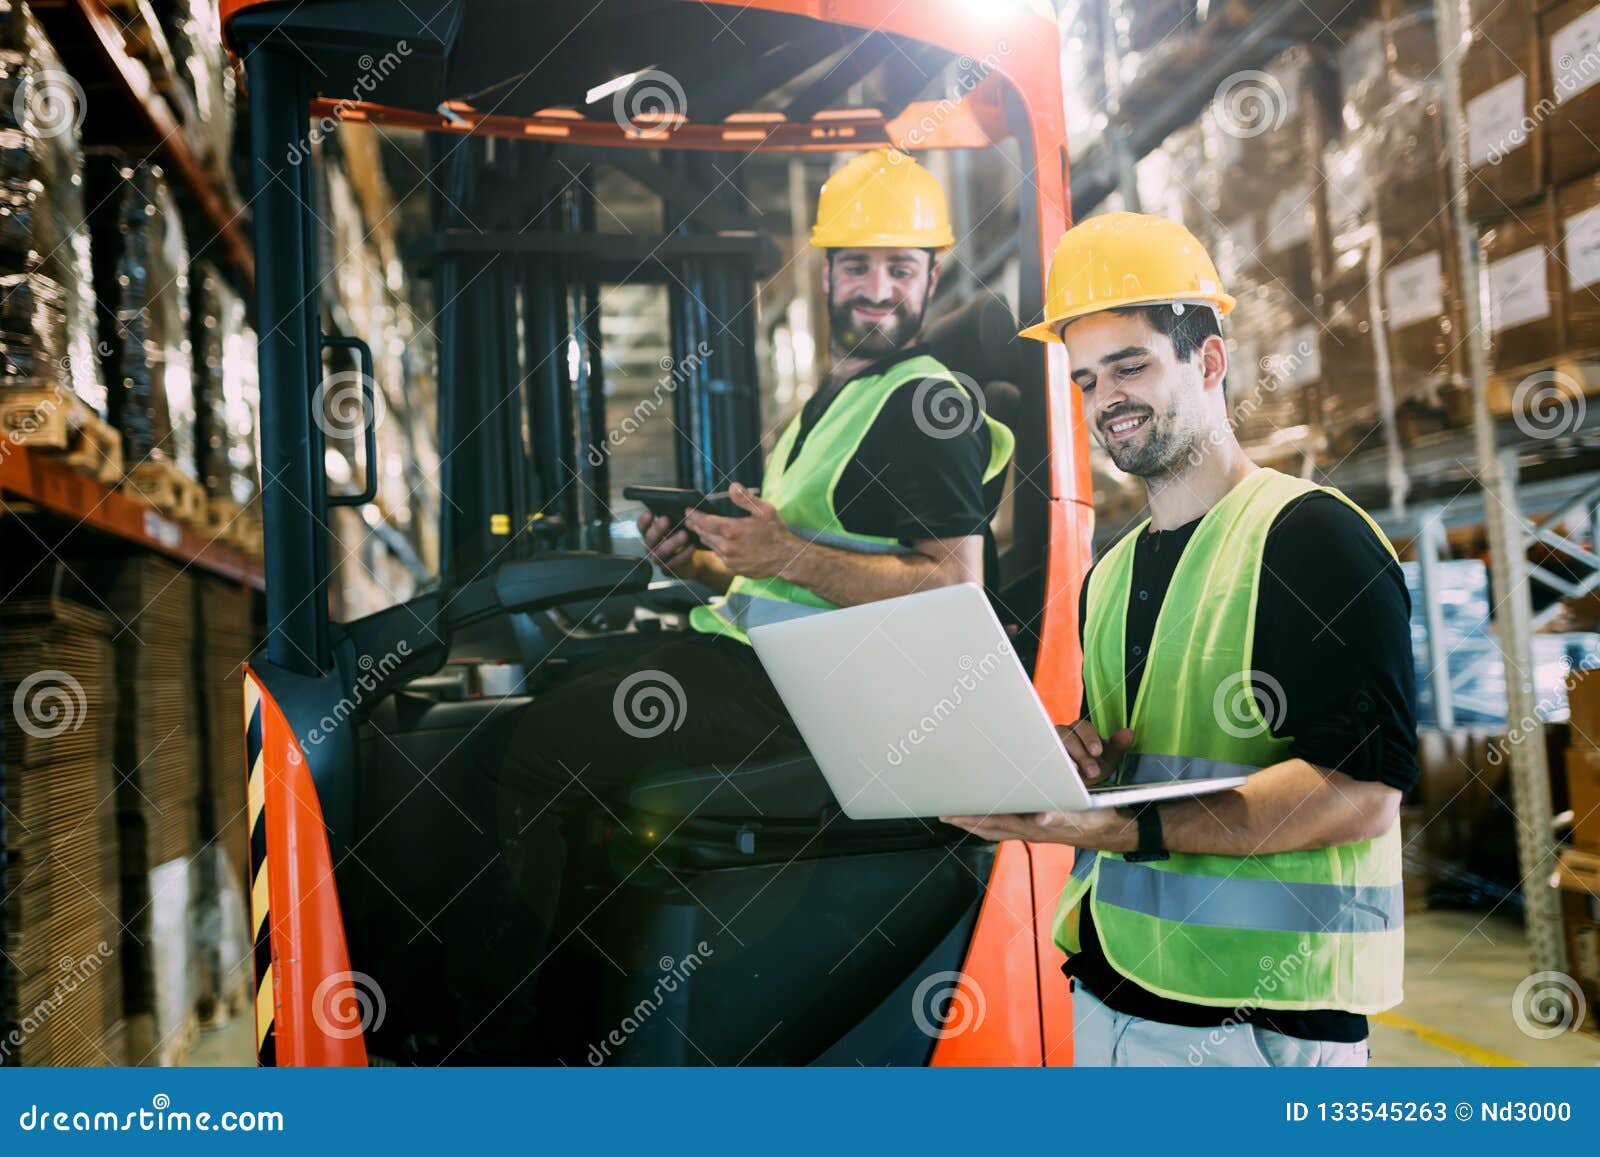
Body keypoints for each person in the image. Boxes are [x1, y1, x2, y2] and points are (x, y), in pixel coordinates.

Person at [498, 149, 1014, 942]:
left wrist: (785, 555)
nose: (878, 290)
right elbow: (781, 588)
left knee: (533, 751)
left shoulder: (926, 405)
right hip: (762, 671)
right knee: (551, 710)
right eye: (859, 267)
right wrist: (702, 558)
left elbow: (955, 588)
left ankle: (515, 1038)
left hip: (814, 703)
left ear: (932, 277)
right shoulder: (831, 406)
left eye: (901, 269)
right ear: (826, 272)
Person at [944, 212, 1416, 1068]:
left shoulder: (1312, 537)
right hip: (1110, 994)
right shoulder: (1111, 575)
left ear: (1208, 360)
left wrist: (1117, 830)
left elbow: (1362, 793)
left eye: (1131, 366)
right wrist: (1073, 767)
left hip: (1261, 1029)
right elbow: (1145, 760)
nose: (1106, 401)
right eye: (1086, 380)